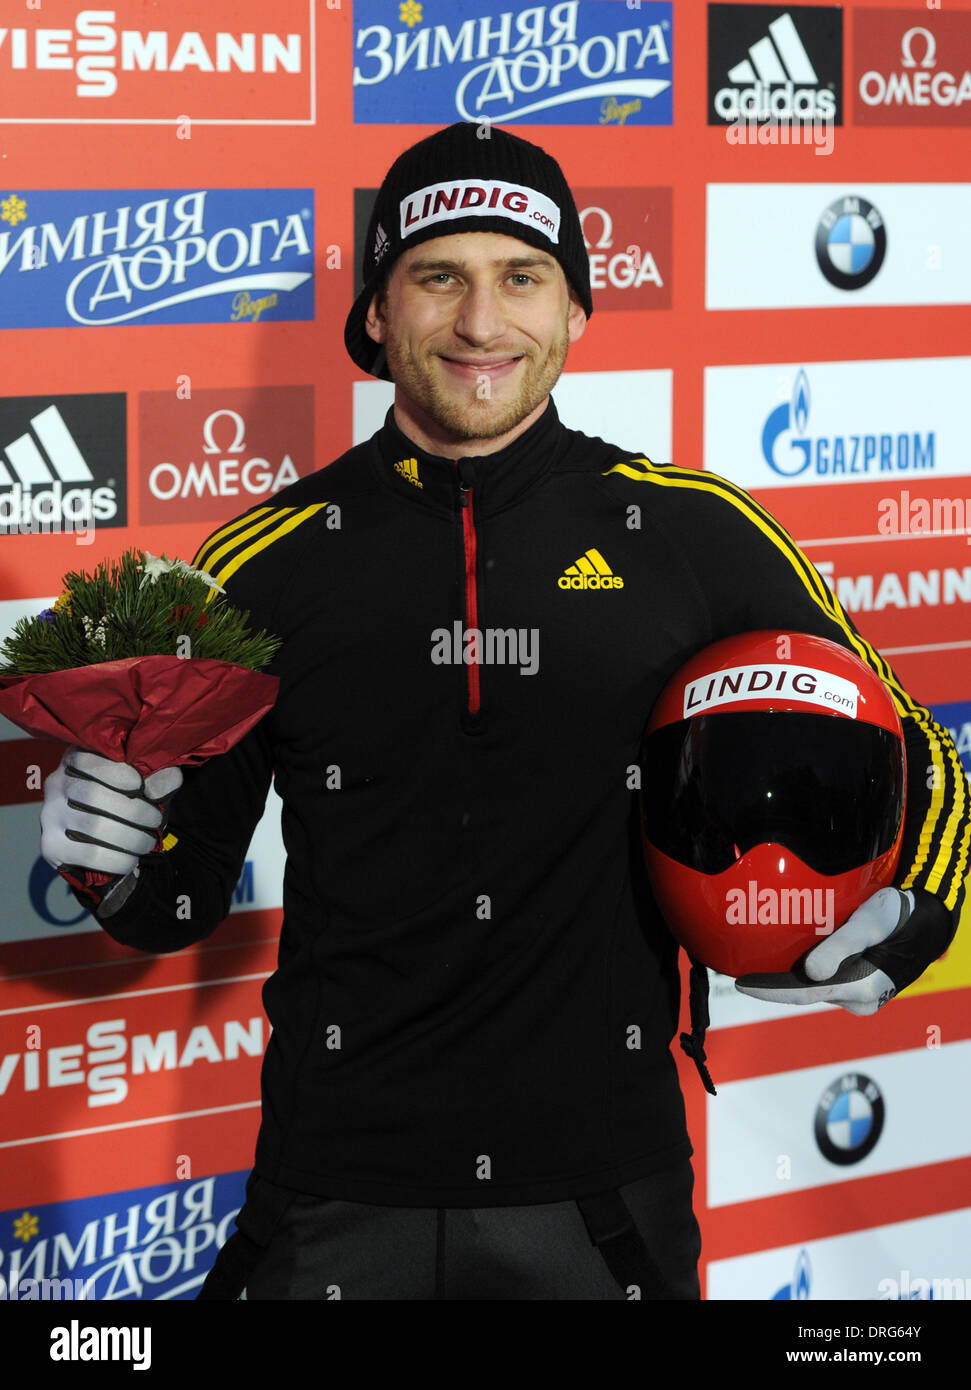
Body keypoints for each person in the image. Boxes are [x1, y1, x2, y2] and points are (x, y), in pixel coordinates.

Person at [39, 122, 969, 1301]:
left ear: (576, 310)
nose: (481, 323)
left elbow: (917, 748)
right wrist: (106, 856)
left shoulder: (690, 530)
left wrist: (909, 913)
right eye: (439, 277)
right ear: (376, 313)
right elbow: (174, 894)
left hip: (600, 1200)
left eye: (521, 277)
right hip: (330, 1194)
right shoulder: (258, 564)